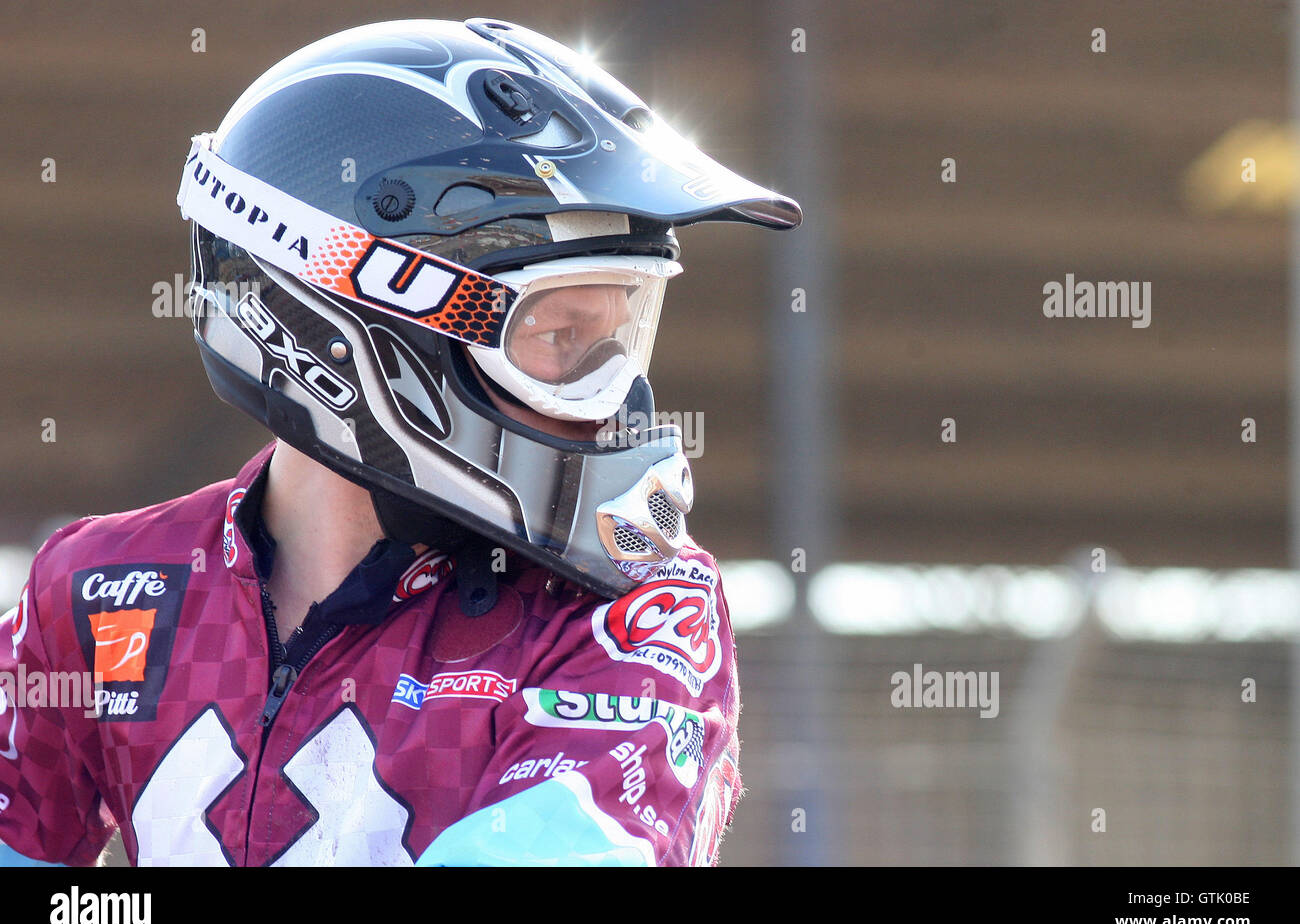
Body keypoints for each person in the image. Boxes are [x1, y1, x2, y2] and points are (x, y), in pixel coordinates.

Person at [0, 17, 799, 866]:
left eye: (619, 338)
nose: (616, 396)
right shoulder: (101, 591)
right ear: (364, 318)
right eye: (559, 337)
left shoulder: (635, 611)